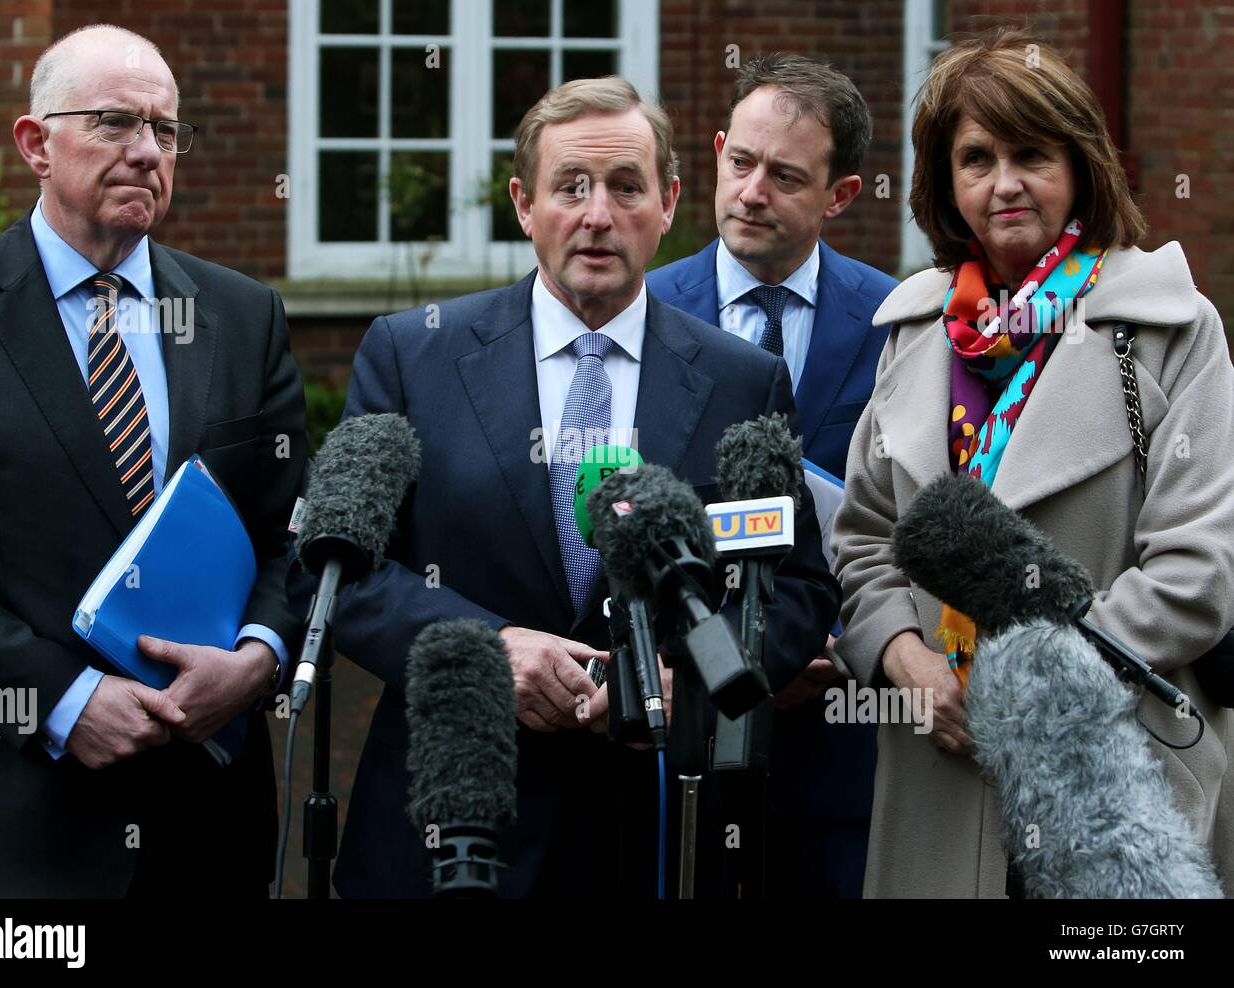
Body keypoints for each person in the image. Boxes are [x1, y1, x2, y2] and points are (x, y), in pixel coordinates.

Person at [289, 76, 841, 898]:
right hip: (451, 819)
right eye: (570, 188)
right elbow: (335, 571)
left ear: (668, 202)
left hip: (651, 829)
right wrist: (488, 650)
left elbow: (793, 586)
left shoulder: (740, 381)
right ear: (524, 203)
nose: (596, 215)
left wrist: (684, 670)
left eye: (626, 187)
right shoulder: (414, 355)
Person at [832, 28, 1234, 898]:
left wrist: (1025, 694)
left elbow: (1198, 572)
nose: (1004, 183)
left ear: (1081, 166)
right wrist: (907, 664)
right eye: (976, 158)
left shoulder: (1172, 328)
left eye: (1031, 154)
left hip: (1116, 777)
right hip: (938, 778)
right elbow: (864, 542)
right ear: (946, 183)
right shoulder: (913, 331)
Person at [0, 24, 307, 897]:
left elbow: (292, 535)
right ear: (34, 143)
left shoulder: (242, 316)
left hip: (208, 823)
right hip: (18, 829)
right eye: (114, 122)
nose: (147, 151)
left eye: (165, 130)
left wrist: (256, 658)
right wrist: (63, 702)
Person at [647, 52, 895, 898]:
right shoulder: (641, 315)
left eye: (785, 176)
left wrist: (850, 648)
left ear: (841, 195)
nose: (751, 192)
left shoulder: (901, 326)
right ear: (716, 153)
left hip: (839, 743)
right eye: (740, 162)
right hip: (673, 749)